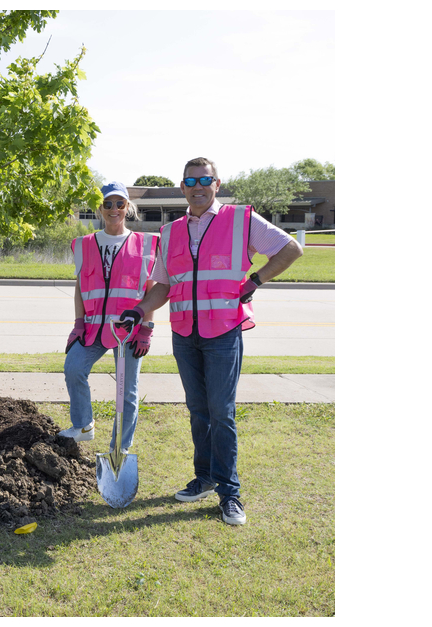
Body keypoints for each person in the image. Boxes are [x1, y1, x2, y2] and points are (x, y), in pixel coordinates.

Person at [123, 157, 303, 525]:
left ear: (216, 184)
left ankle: (229, 493)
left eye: (205, 180)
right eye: (191, 181)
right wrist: (140, 311)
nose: (198, 186)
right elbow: (164, 285)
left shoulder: (241, 220)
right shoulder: (171, 231)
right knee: (198, 410)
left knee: (221, 412)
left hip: (223, 332)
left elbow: (290, 249)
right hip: (185, 334)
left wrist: (256, 280)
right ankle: (204, 478)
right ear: (183, 187)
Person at [60, 182, 157, 458]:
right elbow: (80, 287)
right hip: (92, 328)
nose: (114, 209)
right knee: (73, 368)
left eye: (120, 204)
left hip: (128, 331)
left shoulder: (145, 244)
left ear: (128, 208)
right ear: (100, 208)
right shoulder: (85, 244)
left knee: (127, 393)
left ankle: (120, 449)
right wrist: (78, 323)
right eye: (108, 204)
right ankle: (83, 425)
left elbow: (151, 289)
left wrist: (146, 329)